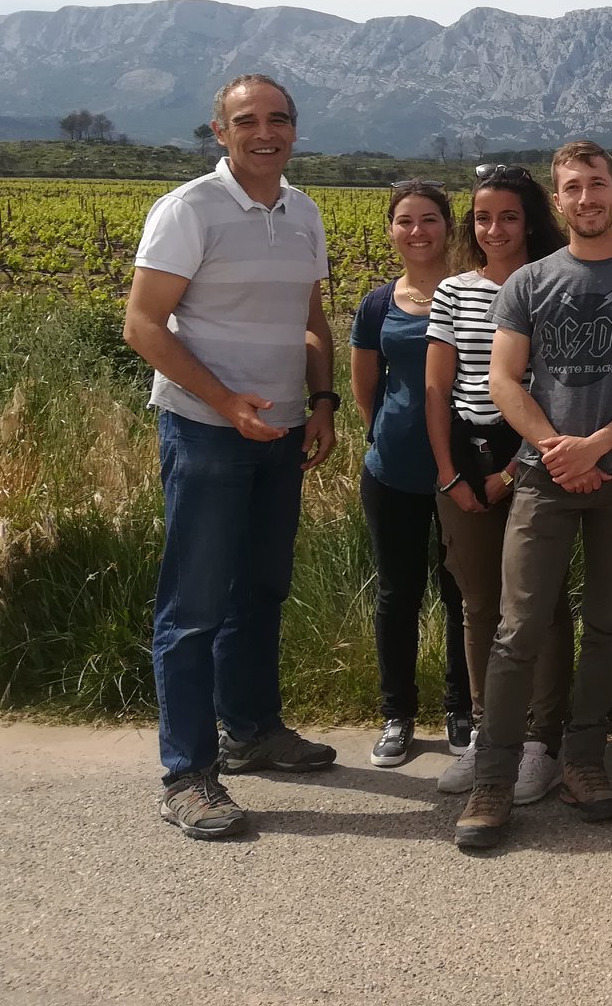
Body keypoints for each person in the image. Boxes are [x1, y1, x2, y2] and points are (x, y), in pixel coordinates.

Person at [452, 141, 612, 851]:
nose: (585, 198)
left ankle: (585, 763)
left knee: (610, 624)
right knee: (518, 628)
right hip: (541, 476)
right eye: (571, 188)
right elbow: (505, 380)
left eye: (596, 185)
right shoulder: (527, 284)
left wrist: (597, 446)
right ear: (557, 202)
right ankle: (494, 779)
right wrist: (560, 450)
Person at [124, 73, 339, 839]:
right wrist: (225, 405)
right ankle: (186, 773)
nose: (265, 132)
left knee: (261, 590)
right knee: (192, 607)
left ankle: (250, 731)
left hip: (280, 434)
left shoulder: (305, 210)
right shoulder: (189, 209)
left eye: (278, 119)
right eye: (246, 120)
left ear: (294, 129)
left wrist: (321, 403)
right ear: (220, 132)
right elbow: (143, 325)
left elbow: (311, 319)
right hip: (207, 431)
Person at [424, 165, 574, 803]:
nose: (494, 229)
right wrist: (450, 473)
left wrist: (518, 468)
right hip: (465, 460)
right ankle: (491, 734)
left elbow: (558, 387)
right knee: (479, 604)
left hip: (534, 459)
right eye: (483, 218)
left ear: (531, 221)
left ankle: (543, 740)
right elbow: (437, 387)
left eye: (508, 217)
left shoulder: (554, 284)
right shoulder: (454, 291)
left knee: (540, 603)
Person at [350, 180, 470, 768]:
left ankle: (460, 709)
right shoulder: (377, 304)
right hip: (393, 469)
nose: (417, 231)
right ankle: (397, 713)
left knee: (462, 594)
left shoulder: (475, 291)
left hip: (463, 468)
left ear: (449, 226)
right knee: (398, 593)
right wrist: (386, 434)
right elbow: (364, 386)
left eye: (428, 219)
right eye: (405, 221)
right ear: (392, 230)